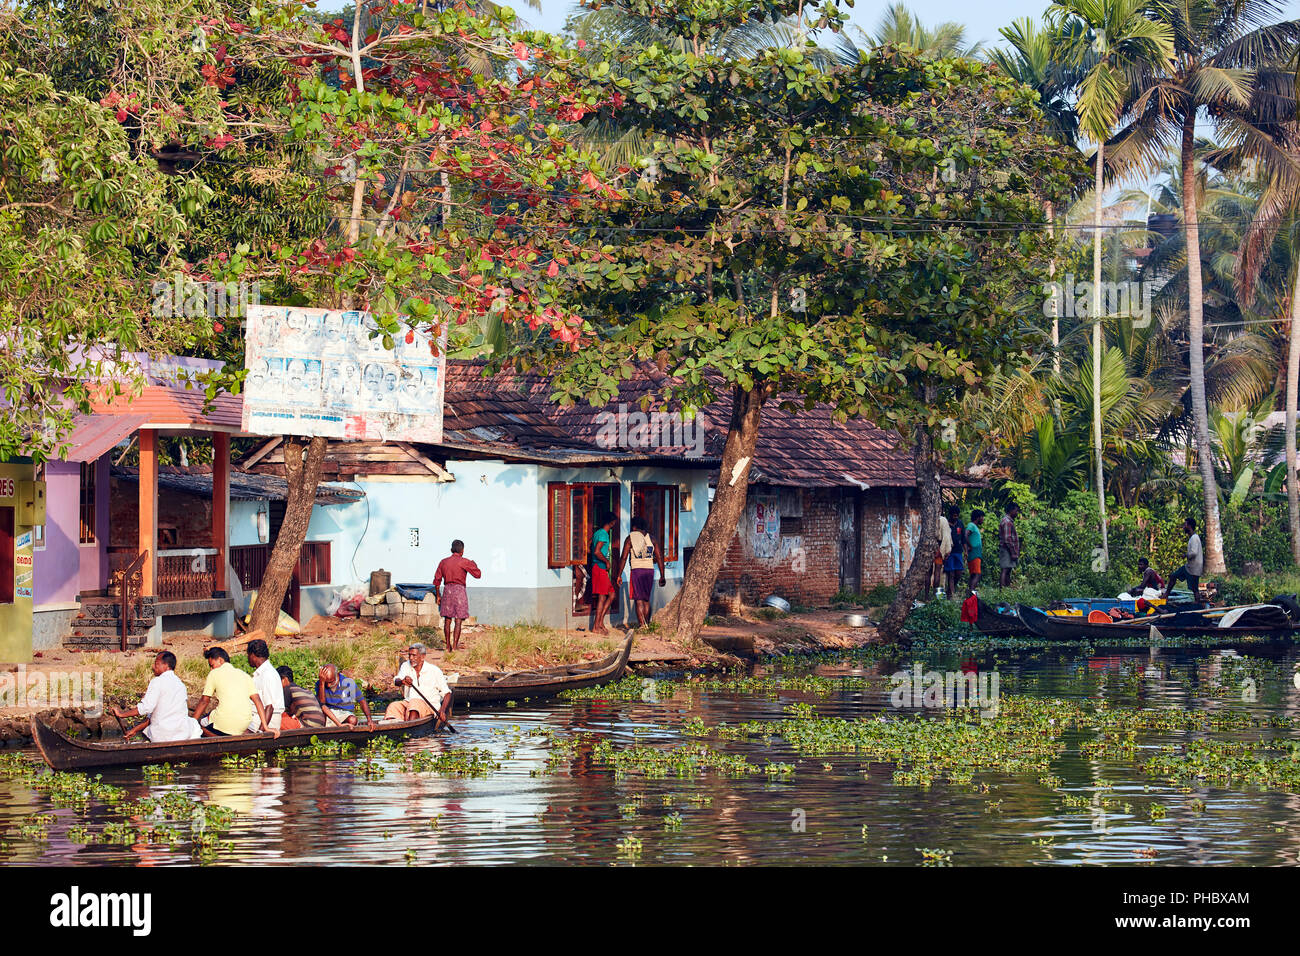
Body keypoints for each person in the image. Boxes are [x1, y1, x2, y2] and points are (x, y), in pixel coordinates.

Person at [111, 651, 201, 743]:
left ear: (166, 666)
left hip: (162, 736)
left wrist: (121, 714)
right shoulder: (181, 684)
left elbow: (146, 708)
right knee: (193, 724)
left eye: (156, 664)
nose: (153, 667)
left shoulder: (157, 681)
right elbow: (152, 715)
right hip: (182, 735)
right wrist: (134, 730)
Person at [193, 646, 276, 738]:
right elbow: (258, 701)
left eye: (212, 665)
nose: (211, 669)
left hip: (224, 722)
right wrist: (265, 727)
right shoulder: (245, 675)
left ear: (220, 660)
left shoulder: (214, 673)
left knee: (200, 724)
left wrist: (192, 722)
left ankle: (220, 741)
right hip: (243, 724)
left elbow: (204, 701)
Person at [384, 642, 453, 723]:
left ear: (423, 656)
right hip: (409, 703)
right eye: (409, 655)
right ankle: (394, 730)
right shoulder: (406, 666)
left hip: (429, 706)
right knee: (393, 706)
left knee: (414, 705)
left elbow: (447, 693)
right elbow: (396, 681)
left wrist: (442, 711)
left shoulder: (434, 670)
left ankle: (410, 730)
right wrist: (402, 681)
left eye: (414, 655)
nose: (411, 658)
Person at [617, 515, 666, 628]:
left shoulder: (630, 538)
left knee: (638, 600)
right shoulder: (652, 539)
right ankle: (647, 625)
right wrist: (662, 575)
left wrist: (619, 575)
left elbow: (623, 558)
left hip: (637, 571)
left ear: (634, 527)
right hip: (649, 571)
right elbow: (659, 557)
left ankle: (642, 625)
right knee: (646, 599)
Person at [433, 539, 481, 653]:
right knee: (458, 620)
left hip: (448, 590)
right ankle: (454, 647)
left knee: (447, 619)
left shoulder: (443, 562)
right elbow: (478, 575)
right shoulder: (465, 562)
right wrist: (474, 565)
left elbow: (436, 581)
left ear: (451, 550)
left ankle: (447, 646)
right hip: (459, 591)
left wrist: (438, 596)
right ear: (462, 551)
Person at [316, 664, 378, 730]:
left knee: (352, 720)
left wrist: (369, 720)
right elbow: (322, 704)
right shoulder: (320, 683)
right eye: (326, 683)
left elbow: (362, 701)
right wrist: (322, 684)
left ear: (337, 675)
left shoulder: (348, 683)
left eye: (331, 682)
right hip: (327, 713)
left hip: (344, 713)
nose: (328, 685)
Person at [247, 638, 286, 732]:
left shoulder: (268, 674)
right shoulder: (260, 673)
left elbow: (270, 707)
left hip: (267, 719)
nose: (247, 658)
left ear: (253, 655)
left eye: (248, 655)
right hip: (258, 717)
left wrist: (261, 732)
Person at [589, 511, 618, 634]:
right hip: (599, 567)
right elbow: (596, 551)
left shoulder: (597, 533)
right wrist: (606, 561)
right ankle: (596, 627)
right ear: (611, 522)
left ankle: (600, 622)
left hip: (599, 568)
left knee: (611, 595)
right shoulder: (604, 534)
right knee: (602, 597)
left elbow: (590, 547)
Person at [1162, 518, 1204, 601]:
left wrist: (1186, 555)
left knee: (1194, 588)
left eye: (1185, 525)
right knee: (1174, 576)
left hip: (1193, 567)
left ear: (1189, 526)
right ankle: (1166, 595)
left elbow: (1194, 553)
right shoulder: (1193, 537)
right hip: (1191, 567)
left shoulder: (1194, 538)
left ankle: (1197, 604)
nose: (1184, 527)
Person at [943, 505, 965, 600]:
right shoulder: (946, 524)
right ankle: (952, 594)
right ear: (951, 515)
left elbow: (963, 538)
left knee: (958, 573)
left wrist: (966, 551)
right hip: (949, 552)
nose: (955, 518)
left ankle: (950, 589)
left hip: (959, 552)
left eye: (957, 516)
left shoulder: (960, 524)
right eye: (954, 516)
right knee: (951, 573)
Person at [999, 503, 1021, 587]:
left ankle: (1006, 589)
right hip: (1006, 549)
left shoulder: (1008, 521)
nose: (1017, 513)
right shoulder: (1007, 522)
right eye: (1016, 511)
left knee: (1008, 570)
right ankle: (1002, 590)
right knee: (1005, 569)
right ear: (1011, 510)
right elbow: (1007, 539)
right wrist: (1012, 552)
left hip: (1008, 549)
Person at [965, 509, 985, 590]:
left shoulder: (975, 527)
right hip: (974, 554)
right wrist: (970, 546)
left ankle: (970, 594)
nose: (983, 519)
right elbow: (965, 535)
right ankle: (972, 593)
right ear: (978, 517)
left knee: (973, 574)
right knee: (977, 574)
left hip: (976, 554)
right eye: (982, 517)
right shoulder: (971, 525)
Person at [933, 511, 953, 591]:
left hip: (929, 549)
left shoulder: (929, 519)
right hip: (939, 549)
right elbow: (946, 537)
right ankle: (935, 594)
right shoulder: (943, 520)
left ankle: (927, 596)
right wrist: (945, 551)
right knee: (937, 572)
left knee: (928, 573)